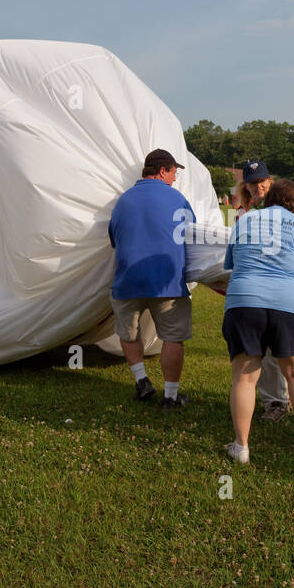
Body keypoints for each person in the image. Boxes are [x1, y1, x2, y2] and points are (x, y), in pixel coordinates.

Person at [222, 179, 294, 463]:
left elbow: (231, 262)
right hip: (291, 304)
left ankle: (241, 446)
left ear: (268, 199)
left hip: (245, 300)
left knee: (244, 378)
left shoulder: (245, 220)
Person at [107, 149, 195, 410]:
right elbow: (192, 236)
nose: (175, 178)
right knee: (172, 337)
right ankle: (170, 396)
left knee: (129, 334)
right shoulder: (177, 199)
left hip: (127, 280)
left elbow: (113, 238)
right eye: (174, 173)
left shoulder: (123, 200)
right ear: (163, 170)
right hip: (167, 281)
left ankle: (142, 381)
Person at [238, 160, 291, 423]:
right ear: (245, 186)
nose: (258, 186)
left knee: (276, 348)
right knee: (267, 348)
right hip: (258, 287)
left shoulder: (281, 207)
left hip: (280, 286)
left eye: (262, 181)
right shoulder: (246, 214)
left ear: (269, 181)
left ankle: (279, 401)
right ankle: (277, 400)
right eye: (252, 182)